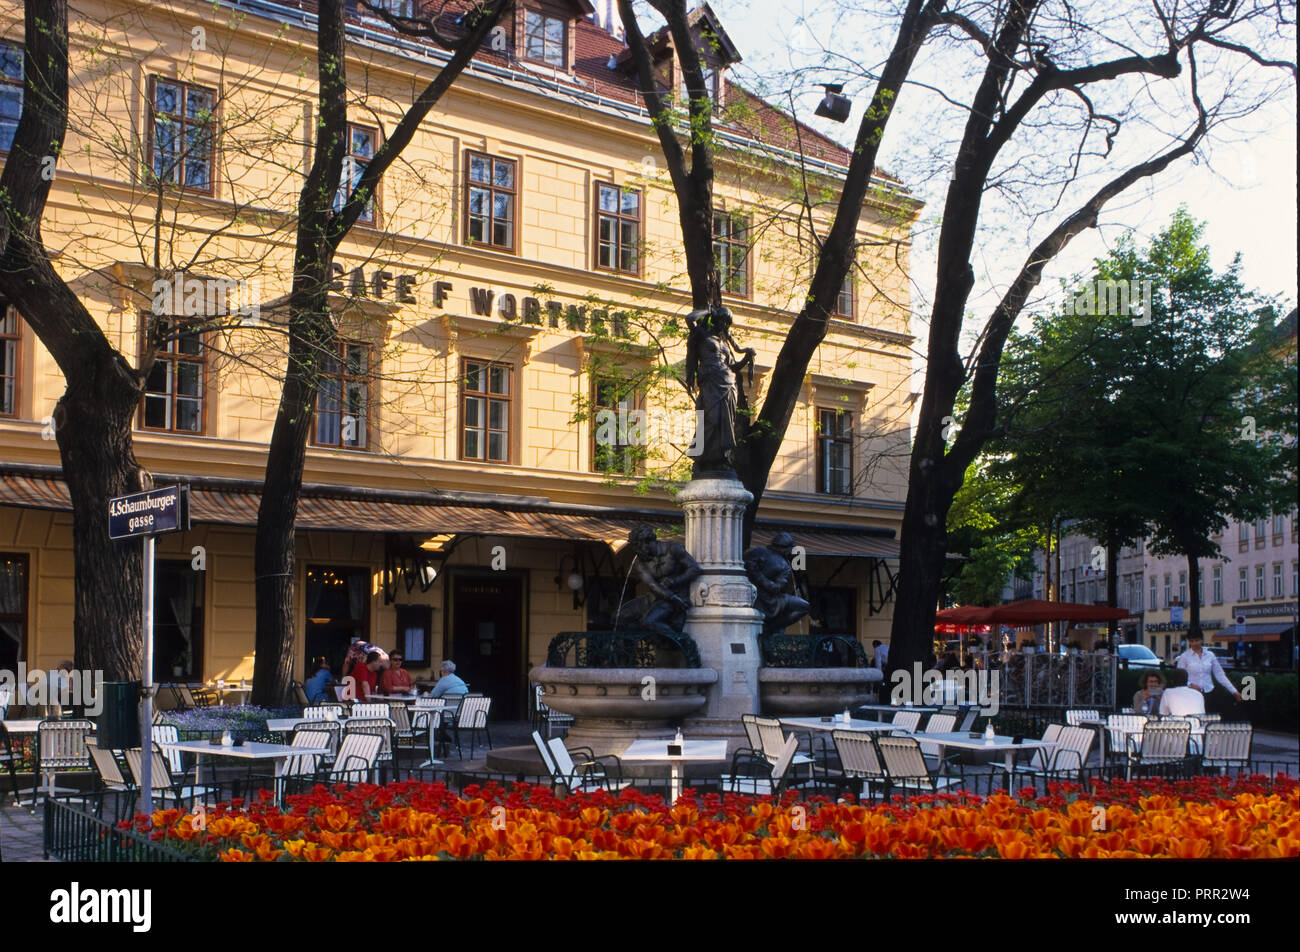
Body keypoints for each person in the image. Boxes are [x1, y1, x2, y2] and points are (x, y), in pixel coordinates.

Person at [615, 524, 702, 635]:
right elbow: (652, 585)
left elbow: (694, 569)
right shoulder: (640, 561)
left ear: (647, 541)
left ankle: (679, 641)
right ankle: (631, 649)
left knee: (649, 622)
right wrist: (671, 597)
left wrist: (675, 581)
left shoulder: (673, 549)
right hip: (659, 597)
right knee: (621, 615)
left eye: (637, 546)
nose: (636, 550)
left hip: (676, 597)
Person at [743, 532, 810, 635]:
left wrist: (759, 577)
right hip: (751, 593)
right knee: (804, 606)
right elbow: (746, 564)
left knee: (804, 606)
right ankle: (771, 627)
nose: (790, 551)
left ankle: (771, 628)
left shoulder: (785, 565)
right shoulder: (759, 551)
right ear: (783, 548)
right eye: (789, 549)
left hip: (771, 598)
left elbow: (777, 587)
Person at [1175, 628, 1242, 702]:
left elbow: (1220, 675)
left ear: (1202, 640)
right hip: (1191, 694)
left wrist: (1234, 691)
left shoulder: (1210, 655)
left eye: (1197, 640)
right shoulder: (1184, 657)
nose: (1194, 643)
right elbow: (1179, 677)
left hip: (1208, 693)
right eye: (1191, 641)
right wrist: (1190, 685)